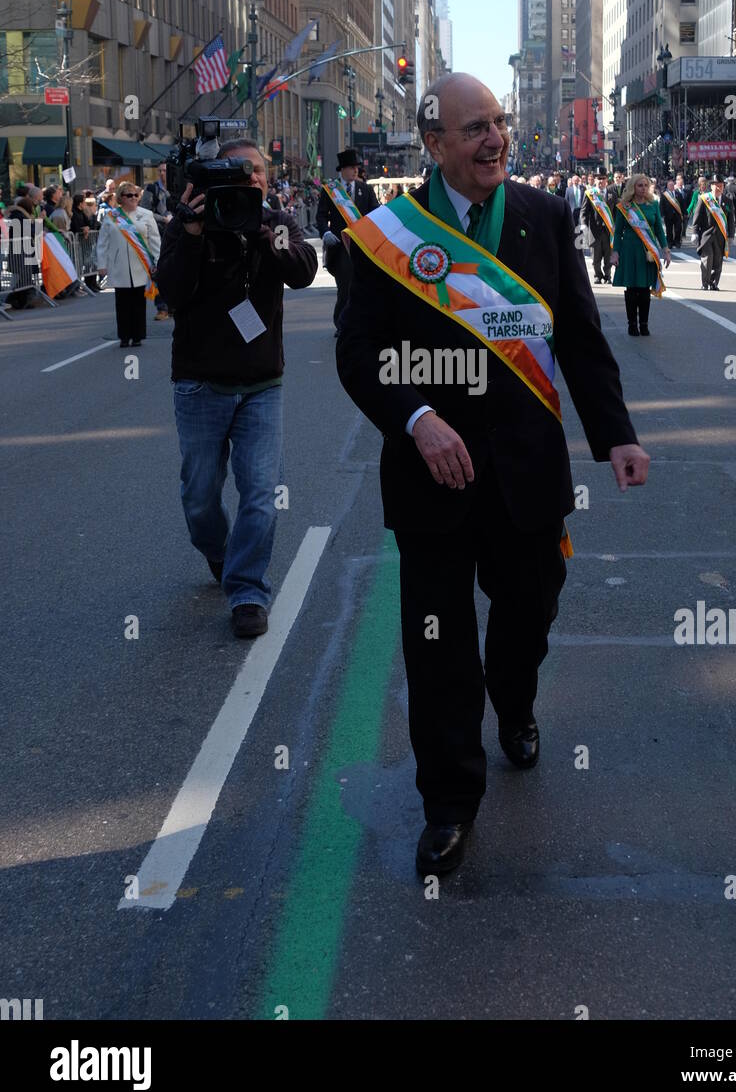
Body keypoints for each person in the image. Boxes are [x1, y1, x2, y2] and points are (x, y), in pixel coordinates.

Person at [336, 72, 648, 876]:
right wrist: (416, 418)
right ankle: (449, 805)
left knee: (529, 613)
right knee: (438, 648)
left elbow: (580, 339)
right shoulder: (382, 237)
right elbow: (358, 353)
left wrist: (615, 435)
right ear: (433, 144)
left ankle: (515, 700)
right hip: (430, 480)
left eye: (499, 123)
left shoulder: (544, 217)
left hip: (526, 474)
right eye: (475, 128)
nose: (495, 139)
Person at [155, 138, 317, 638]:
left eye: (258, 171)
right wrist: (192, 231)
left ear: (267, 179)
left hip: (261, 383)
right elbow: (172, 292)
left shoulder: (279, 223)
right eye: (239, 170)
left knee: (261, 495)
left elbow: (305, 273)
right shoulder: (185, 223)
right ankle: (220, 552)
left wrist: (273, 241)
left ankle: (247, 590)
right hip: (200, 383)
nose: (251, 178)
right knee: (201, 496)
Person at [315, 148, 378, 330]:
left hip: (363, 245)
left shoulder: (365, 189)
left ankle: (361, 321)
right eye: (351, 167)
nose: (355, 170)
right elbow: (320, 216)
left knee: (364, 284)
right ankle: (341, 323)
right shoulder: (331, 190)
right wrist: (325, 233)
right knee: (345, 287)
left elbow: (375, 212)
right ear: (342, 169)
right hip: (341, 246)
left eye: (357, 167)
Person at [96, 178, 161, 346]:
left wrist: (158, 261)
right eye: (129, 195)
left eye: (135, 195)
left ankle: (138, 336)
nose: (133, 198)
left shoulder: (146, 215)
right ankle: (124, 337)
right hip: (119, 266)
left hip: (141, 265)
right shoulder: (112, 217)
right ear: (121, 197)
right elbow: (103, 242)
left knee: (139, 303)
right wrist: (101, 265)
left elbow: (155, 241)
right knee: (122, 304)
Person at [611, 173, 671, 335]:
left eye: (645, 185)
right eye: (640, 185)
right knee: (631, 289)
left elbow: (659, 229)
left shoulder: (653, 205)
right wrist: (615, 252)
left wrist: (665, 250)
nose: (643, 188)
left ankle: (644, 324)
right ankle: (632, 324)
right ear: (632, 187)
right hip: (629, 251)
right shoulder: (624, 207)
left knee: (644, 290)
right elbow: (618, 233)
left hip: (648, 252)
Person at [139, 163, 173, 321]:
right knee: (158, 271)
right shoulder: (151, 189)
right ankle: (162, 307)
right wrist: (163, 219)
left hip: (177, 233)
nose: (162, 173)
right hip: (157, 234)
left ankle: (173, 305)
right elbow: (144, 211)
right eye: (159, 170)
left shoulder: (178, 186)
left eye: (165, 170)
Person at [693, 176, 732, 290]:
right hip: (707, 234)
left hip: (721, 236)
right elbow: (697, 216)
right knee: (707, 259)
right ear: (711, 186)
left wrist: (731, 236)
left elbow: (731, 219)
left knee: (718, 261)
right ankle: (705, 283)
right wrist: (695, 232)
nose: (719, 188)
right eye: (716, 186)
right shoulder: (705, 199)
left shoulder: (727, 201)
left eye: (721, 186)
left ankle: (714, 283)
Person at [580, 175, 615, 283]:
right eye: (598, 179)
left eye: (603, 179)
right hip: (595, 230)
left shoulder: (612, 194)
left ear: (606, 181)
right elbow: (584, 211)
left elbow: (616, 212)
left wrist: (617, 226)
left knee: (608, 255)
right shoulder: (590, 194)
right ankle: (598, 275)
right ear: (595, 180)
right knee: (596, 256)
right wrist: (583, 224)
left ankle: (608, 275)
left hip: (608, 230)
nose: (601, 181)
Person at [659, 176, 684, 248]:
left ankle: (677, 242)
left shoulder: (678, 194)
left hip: (677, 215)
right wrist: (662, 214)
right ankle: (669, 242)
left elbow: (682, 204)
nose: (671, 186)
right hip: (668, 215)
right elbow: (661, 205)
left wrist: (684, 212)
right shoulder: (664, 195)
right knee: (669, 229)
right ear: (667, 186)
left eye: (672, 185)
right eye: (670, 185)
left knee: (678, 229)